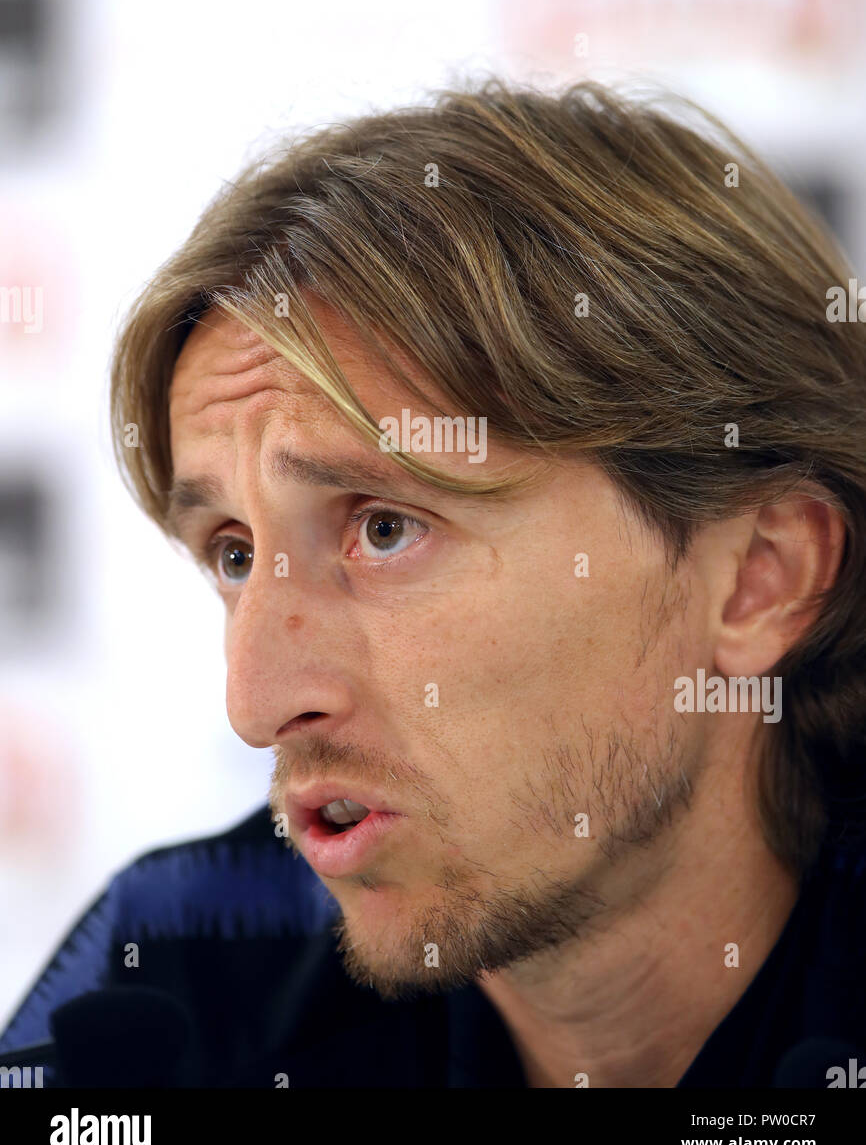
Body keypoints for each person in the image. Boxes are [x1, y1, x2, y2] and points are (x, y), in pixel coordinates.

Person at [3, 79, 865, 1088]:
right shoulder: (183, 972)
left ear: (758, 579)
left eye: (383, 528)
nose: (259, 702)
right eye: (234, 552)